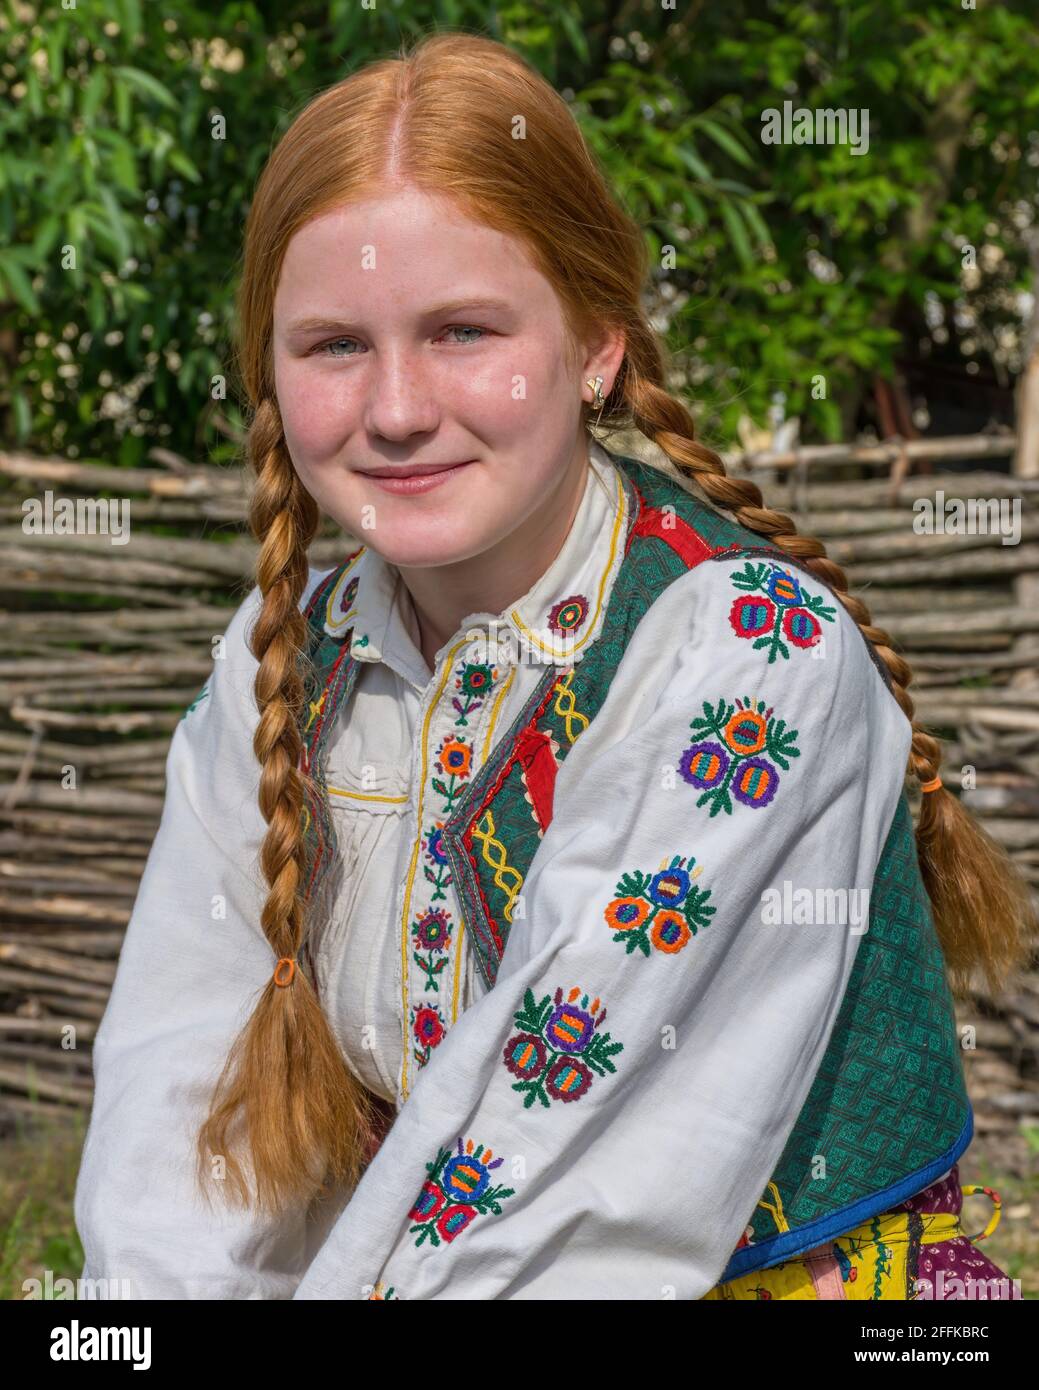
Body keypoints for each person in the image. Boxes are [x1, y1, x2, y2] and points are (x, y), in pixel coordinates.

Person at [74, 31, 1031, 1301]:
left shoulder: (749, 659)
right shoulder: (280, 659)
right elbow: (179, 1090)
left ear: (597, 346)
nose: (400, 407)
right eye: (334, 345)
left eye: (464, 330)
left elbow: (558, 1193)